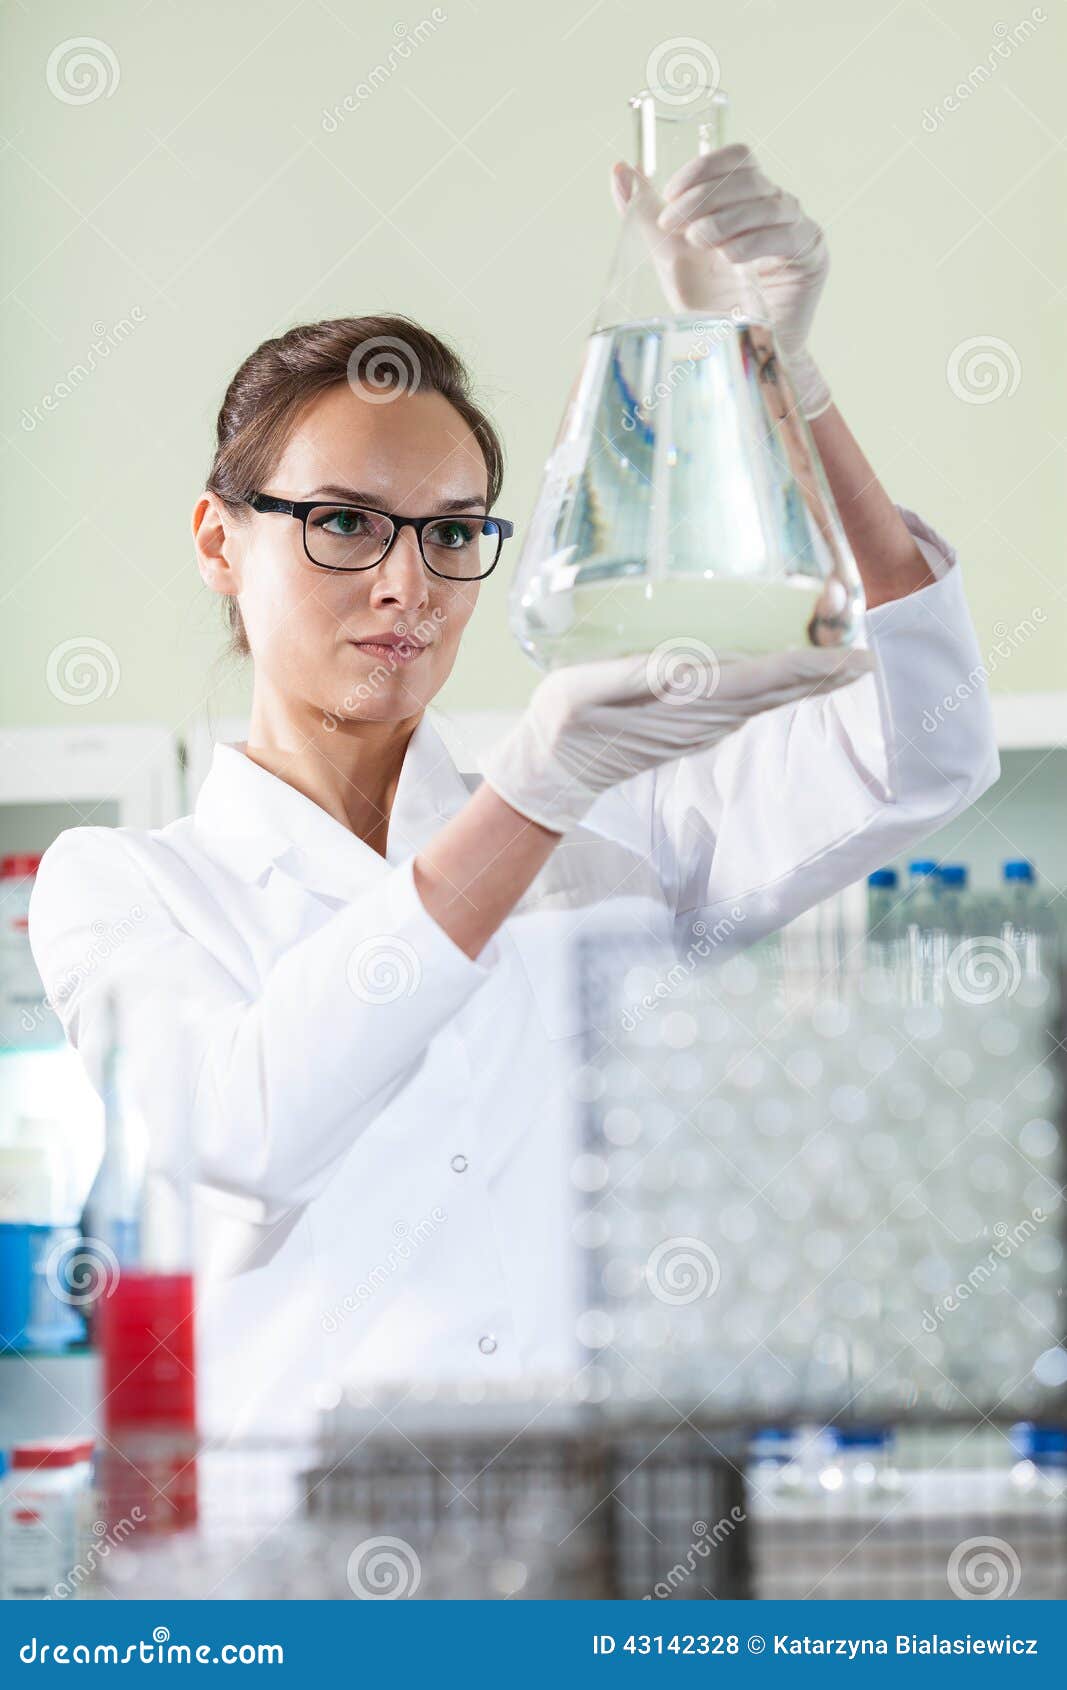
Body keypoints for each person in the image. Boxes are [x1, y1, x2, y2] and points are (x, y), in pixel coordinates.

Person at [29, 145, 997, 1435]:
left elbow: (923, 742)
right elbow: (240, 1132)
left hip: (589, 1569)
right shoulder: (126, 889)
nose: (406, 585)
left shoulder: (621, 829)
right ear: (221, 540)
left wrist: (783, 379)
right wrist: (539, 789)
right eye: (344, 522)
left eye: (453, 531)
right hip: (299, 1598)